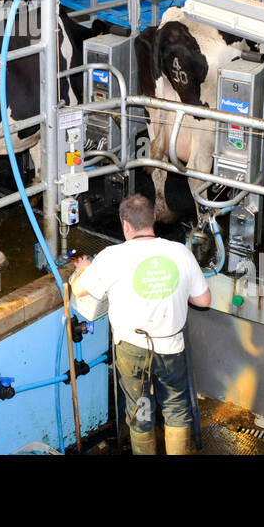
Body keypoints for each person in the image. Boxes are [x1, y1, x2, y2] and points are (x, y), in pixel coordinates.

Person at [69, 193, 211, 455]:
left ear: (125, 224)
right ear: (154, 218)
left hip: (132, 349)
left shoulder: (111, 257)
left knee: (140, 409)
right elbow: (203, 300)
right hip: (171, 347)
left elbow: (78, 291)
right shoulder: (180, 252)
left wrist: (85, 268)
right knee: (176, 409)